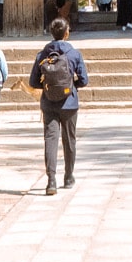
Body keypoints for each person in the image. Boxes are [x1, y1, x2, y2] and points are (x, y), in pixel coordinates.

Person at [27, 17, 87, 195]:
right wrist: (70, 85)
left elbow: (33, 82)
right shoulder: (74, 54)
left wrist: (49, 88)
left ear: (51, 34)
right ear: (67, 33)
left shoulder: (42, 55)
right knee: (69, 140)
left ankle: (51, 180)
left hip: (49, 103)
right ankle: (68, 177)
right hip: (69, 103)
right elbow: (84, 80)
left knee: (50, 140)